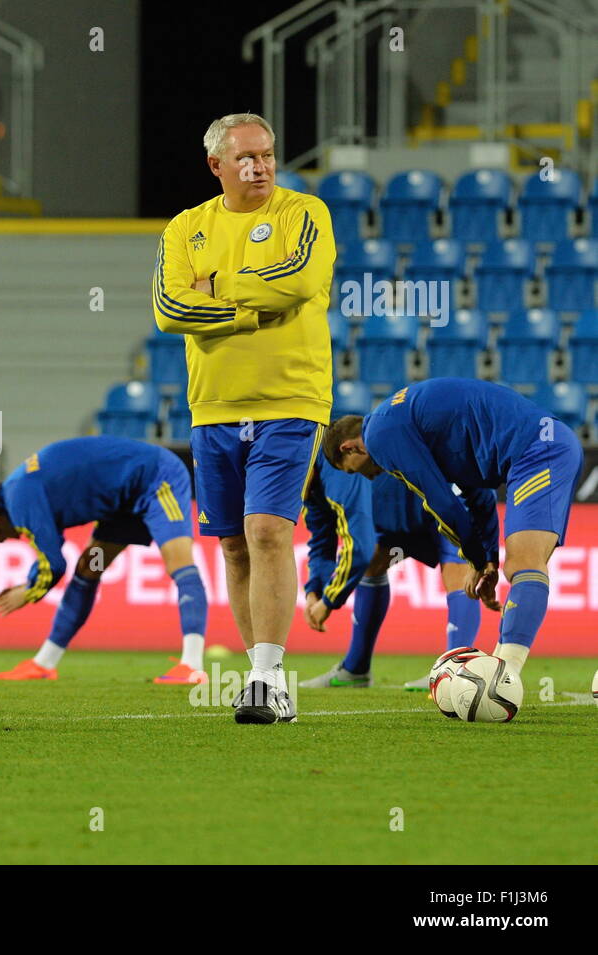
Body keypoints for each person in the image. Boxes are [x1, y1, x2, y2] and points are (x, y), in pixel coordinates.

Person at [152, 112, 337, 723]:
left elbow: (302, 278)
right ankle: (262, 672)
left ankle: (267, 678)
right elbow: (169, 307)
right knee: (233, 544)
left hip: (290, 399)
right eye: (246, 159)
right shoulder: (186, 227)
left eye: (267, 155)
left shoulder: (303, 213)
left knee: (266, 530)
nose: (260, 167)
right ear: (216, 166)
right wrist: (249, 311)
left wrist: (220, 287)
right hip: (213, 406)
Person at [325, 378, 584, 684]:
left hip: (537, 452)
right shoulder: (409, 424)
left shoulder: (380, 434)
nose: (368, 478)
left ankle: (503, 676)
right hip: (549, 444)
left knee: (524, 564)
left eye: (356, 470)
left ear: (350, 447)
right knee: (522, 567)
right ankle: (500, 669)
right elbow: (478, 495)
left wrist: (474, 560)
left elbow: (440, 503)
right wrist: (488, 561)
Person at [0, 436, 208, 683]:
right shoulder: (19, 490)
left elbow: (54, 564)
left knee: (179, 563)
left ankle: (192, 665)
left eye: (2, 538)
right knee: (89, 568)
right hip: (122, 507)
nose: (13, 539)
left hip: (156, 480)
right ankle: (44, 663)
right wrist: (32, 583)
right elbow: (50, 551)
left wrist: (28, 592)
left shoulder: (19, 502)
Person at [296, 452, 481, 688]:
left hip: (440, 499)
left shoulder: (337, 471)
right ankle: (355, 670)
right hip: (393, 514)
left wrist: (329, 601)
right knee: (373, 564)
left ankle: (454, 670)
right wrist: (314, 591)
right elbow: (322, 543)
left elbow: (358, 549)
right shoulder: (310, 490)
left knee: (458, 570)